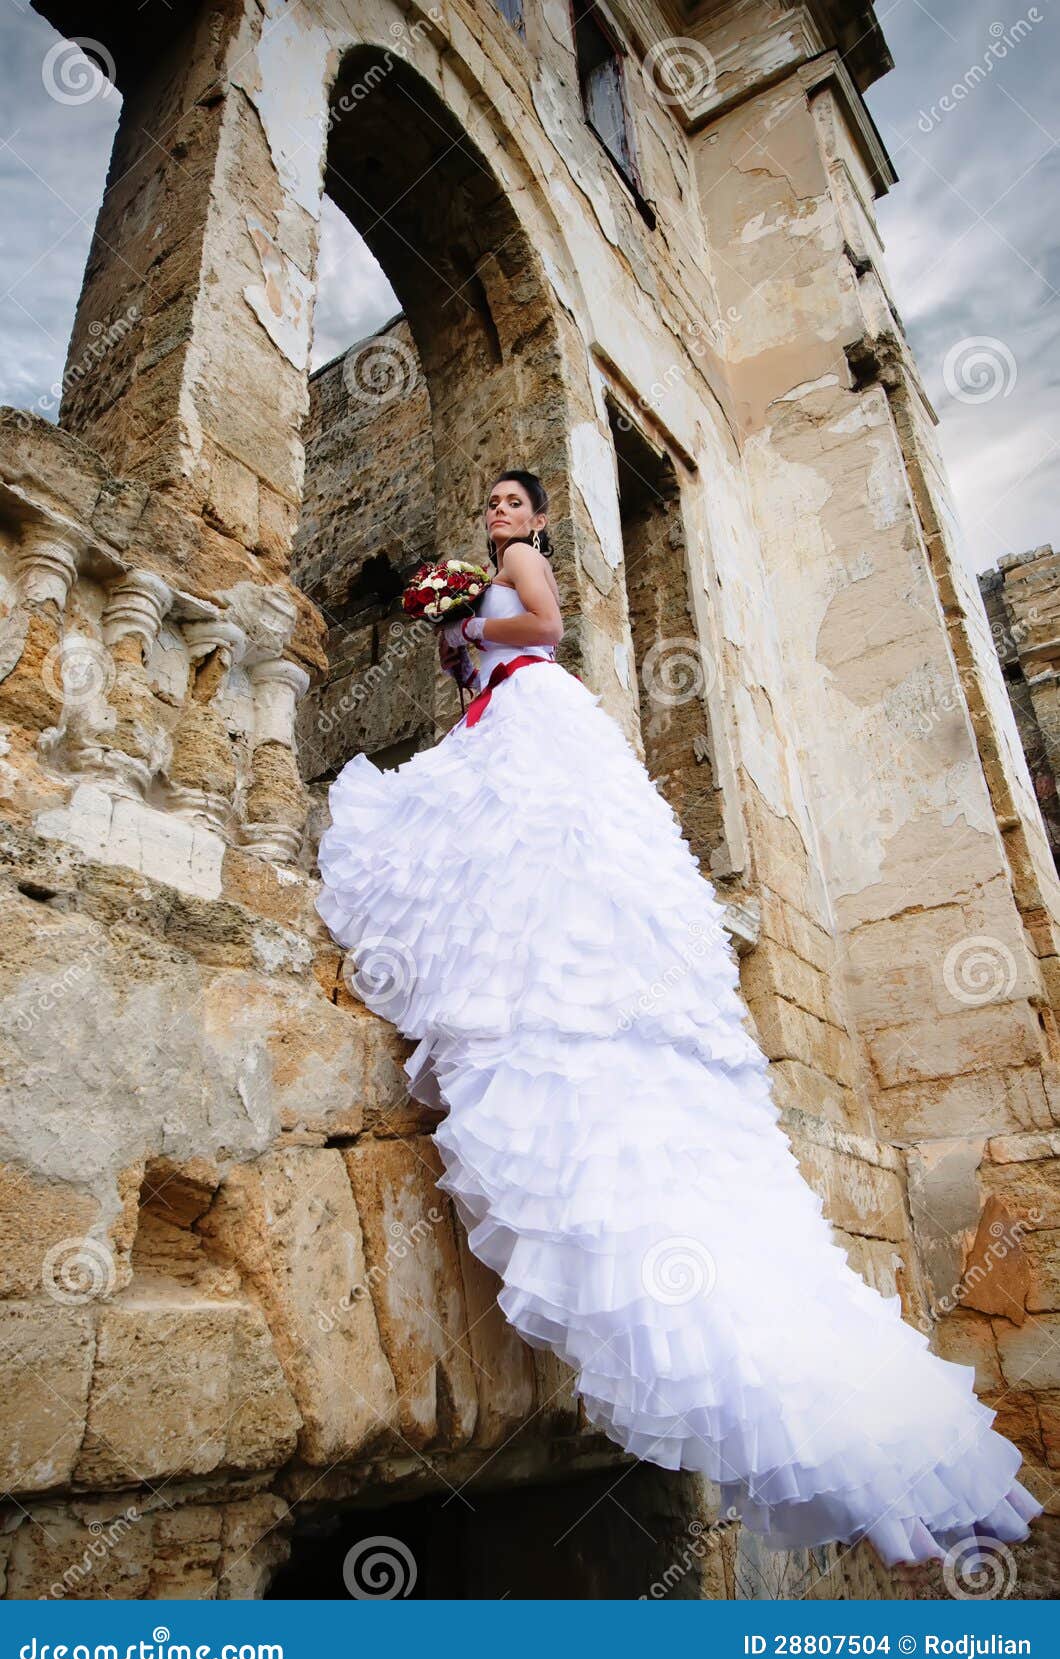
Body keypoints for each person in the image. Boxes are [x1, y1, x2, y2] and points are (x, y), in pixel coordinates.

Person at [315, 470, 1043, 1570]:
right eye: (495, 509)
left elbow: (543, 627)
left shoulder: (516, 573)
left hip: (537, 724)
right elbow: (478, 666)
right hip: (500, 721)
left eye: (517, 505)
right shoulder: (474, 596)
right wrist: (449, 628)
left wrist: (472, 608)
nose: (504, 517)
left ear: (538, 521)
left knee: (532, 863)